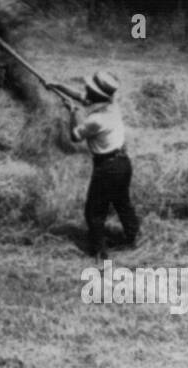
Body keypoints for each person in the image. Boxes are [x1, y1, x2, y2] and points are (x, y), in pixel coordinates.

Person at [53, 69, 140, 262]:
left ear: (96, 95)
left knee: (94, 210)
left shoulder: (96, 120)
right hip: (123, 163)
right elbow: (81, 96)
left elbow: (75, 136)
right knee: (122, 203)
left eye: (89, 88)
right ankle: (132, 238)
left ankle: (99, 251)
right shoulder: (112, 105)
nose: (85, 89)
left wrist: (72, 112)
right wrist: (58, 86)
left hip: (107, 168)